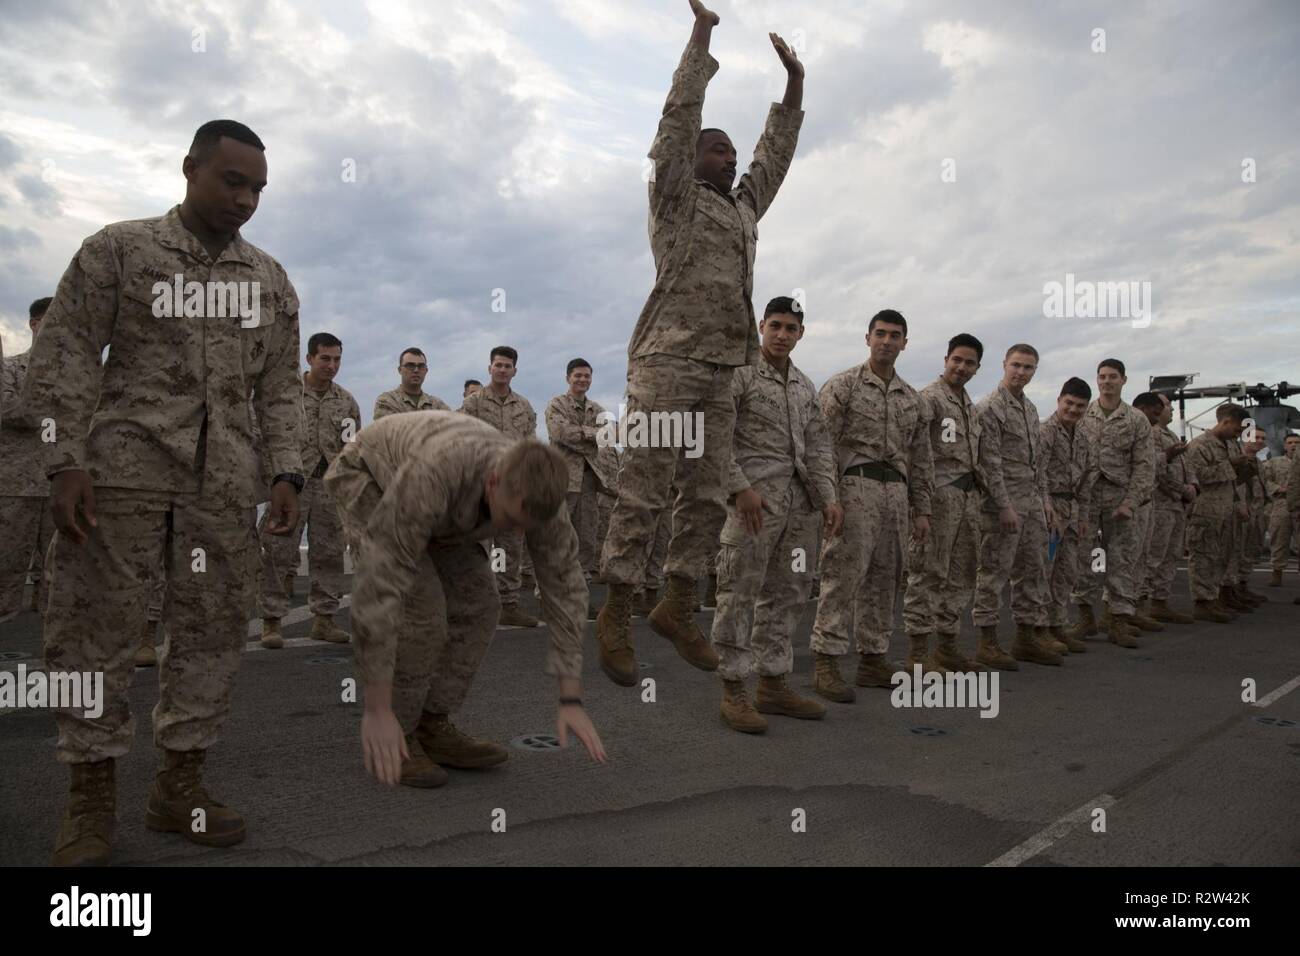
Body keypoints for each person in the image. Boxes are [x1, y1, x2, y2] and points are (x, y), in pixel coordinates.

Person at [25, 119, 305, 865]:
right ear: (190, 169)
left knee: (211, 633)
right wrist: (64, 460)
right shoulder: (121, 250)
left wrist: (285, 472)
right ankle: (88, 798)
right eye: (232, 181)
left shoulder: (269, 282)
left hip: (223, 485)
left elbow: (279, 385)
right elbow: (68, 354)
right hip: (121, 474)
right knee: (95, 632)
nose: (245, 199)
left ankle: (179, 786)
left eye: (257, 189)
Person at [597, 0, 806, 685]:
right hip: (667, 361)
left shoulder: (743, 210)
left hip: (723, 372)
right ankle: (618, 609)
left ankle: (679, 603)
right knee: (644, 491)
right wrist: (701, 35)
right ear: (691, 160)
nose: (731, 155)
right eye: (719, 148)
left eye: (731, 151)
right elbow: (677, 119)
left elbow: (773, 160)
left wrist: (794, 87)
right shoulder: (676, 197)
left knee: (708, 493)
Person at [323, 412, 605, 786]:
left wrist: (570, 698)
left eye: (527, 527)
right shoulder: (437, 471)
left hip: (451, 506)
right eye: (511, 519)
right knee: (422, 613)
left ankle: (431, 724)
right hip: (372, 475)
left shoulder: (541, 500)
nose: (518, 534)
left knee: (480, 605)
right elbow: (381, 580)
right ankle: (398, 728)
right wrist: (376, 707)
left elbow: (565, 589)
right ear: (493, 483)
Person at [708, 297, 840, 732]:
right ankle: (734, 690)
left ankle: (774, 683)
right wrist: (738, 487)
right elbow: (715, 434)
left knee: (789, 594)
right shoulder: (740, 373)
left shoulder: (804, 385)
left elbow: (818, 444)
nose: (782, 335)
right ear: (762, 326)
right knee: (739, 593)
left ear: (801, 333)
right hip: (753, 506)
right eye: (776, 326)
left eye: (791, 328)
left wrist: (829, 498)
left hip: (799, 508)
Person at [809, 310, 933, 701]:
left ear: (905, 344)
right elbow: (822, 445)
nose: (887, 341)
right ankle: (827, 661)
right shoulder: (842, 386)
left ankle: (873, 658)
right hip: (854, 487)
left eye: (895, 335)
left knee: (886, 577)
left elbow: (922, 457)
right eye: (880, 334)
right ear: (867, 338)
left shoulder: (912, 399)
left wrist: (923, 509)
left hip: (896, 493)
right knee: (844, 575)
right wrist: (829, 498)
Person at [258, 332, 360, 648]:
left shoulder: (346, 401)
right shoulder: (287, 394)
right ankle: (271, 622)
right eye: (325, 358)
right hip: (291, 485)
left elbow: (352, 448)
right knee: (278, 552)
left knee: (329, 554)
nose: (332, 365)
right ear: (309, 359)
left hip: (329, 486)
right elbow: (266, 435)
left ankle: (324, 620)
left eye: (337, 359)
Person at [901, 333, 991, 671]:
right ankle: (918, 654)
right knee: (928, 572)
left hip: (967, 498)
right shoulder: (929, 400)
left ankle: (947, 645)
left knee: (961, 573)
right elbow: (917, 455)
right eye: (957, 360)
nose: (961, 367)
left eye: (969, 363)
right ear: (946, 360)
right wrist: (919, 505)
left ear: (977, 368)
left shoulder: (969, 406)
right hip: (939, 496)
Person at [971, 344, 1061, 666]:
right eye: (1017, 366)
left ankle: (1027, 636)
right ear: (1004, 365)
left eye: (1028, 368)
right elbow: (988, 464)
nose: (1021, 372)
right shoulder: (989, 408)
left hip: (1032, 502)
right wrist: (1004, 505)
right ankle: (987, 641)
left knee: (1032, 570)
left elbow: (1037, 463)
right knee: (994, 572)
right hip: (1002, 505)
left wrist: (1044, 502)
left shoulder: (1030, 409)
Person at [1067, 359, 1154, 648]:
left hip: (1120, 499)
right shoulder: (1082, 413)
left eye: (1112, 377)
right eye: (1102, 376)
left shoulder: (1135, 419)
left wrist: (1131, 502)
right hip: (1087, 498)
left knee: (1121, 560)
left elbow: (1144, 465)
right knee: (1086, 558)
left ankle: (1118, 620)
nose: (1106, 382)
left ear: (1124, 380)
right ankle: (1085, 617)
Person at [460, 346, 540, 627]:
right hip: (480, 485)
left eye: (507, 366)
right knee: (478, 548)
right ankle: (475, 607)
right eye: (498, 365)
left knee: (510, 548)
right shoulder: (474, 404)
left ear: (514, 371)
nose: (502, 370)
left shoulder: (524, 406)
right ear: (489, 368)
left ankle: (509, 604)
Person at [0, 297, 55, 624]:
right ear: (34, 324)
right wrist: (56, 407)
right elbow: (8, 411)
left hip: (58, 486)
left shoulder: (78, 374)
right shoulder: (11, 369)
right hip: (14, 487)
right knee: (4, 572)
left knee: (61, 577)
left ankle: (57, 662)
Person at [545, 359, 616, 582]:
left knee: (586, 541)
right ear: (568, 378)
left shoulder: (598, 410)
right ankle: (550, 596)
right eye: (578, 375)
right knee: (558, 538)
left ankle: (580, 598)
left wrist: (584, 435)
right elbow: (561, 433)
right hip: (563, 481)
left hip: (588, 482)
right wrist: (592, 435)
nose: (582, 380)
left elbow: (610, 435)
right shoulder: (557, 404)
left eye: (587, 376)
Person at [1039, 377, 1094, 653]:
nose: (1073, 410)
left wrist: (1083, 517)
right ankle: (1038, 631)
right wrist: (1048, 510)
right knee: (1043, 572)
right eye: (1069, 403)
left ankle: (1057, 626)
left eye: (1080, 406)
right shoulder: (1045, 432)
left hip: (1071, 512)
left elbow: (1086, 481)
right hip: (1049, 513)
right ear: (1059, 401)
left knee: (1065, 573)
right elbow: (1039, 475)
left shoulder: (1084, 437)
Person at [1185, 405, 1251, 621]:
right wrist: (1230, 464)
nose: (1238, 434)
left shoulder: (1231, 445)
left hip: (1225, 510)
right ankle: (1202, 602)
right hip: (1205, 511)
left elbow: (1232, 479)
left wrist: (1245, 469)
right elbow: (1198, 476)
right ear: (1227, 421)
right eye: (1237, 429)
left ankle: (1214, 598)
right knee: (1203, 557)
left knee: (1219, 557)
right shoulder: (1199, 445)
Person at [1140, 393, 1197, 623]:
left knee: (1171, 555)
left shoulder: (1170, 434)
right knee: (1153, 556)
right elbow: (1156, 471)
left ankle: (1160, 602)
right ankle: (1140, 605)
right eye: (1166, 405)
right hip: (1161, 504)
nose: (1170, 409)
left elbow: (1186, 465)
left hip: (1176, 506)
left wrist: (1193, 485)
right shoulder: (1151, 434)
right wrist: (1183, 490)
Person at [373, 347, 450, 419]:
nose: (416, 370)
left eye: (421, 366)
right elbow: (391, 430)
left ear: (426, 371)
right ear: (400, 370)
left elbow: (453, 426)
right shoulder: (387, 401)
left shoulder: (437, 404)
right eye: (410, 365)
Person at [1262, 433, 1298, 586]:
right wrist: (1277, 488)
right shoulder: (1274, 463)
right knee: (1278, 539)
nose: (1294, 445)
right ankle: (1277, 572)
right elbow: (1264, 479)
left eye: (1297, 442)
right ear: (1284, 446)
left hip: (1299, 505)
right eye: (1290, 442)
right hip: (1281, 504)